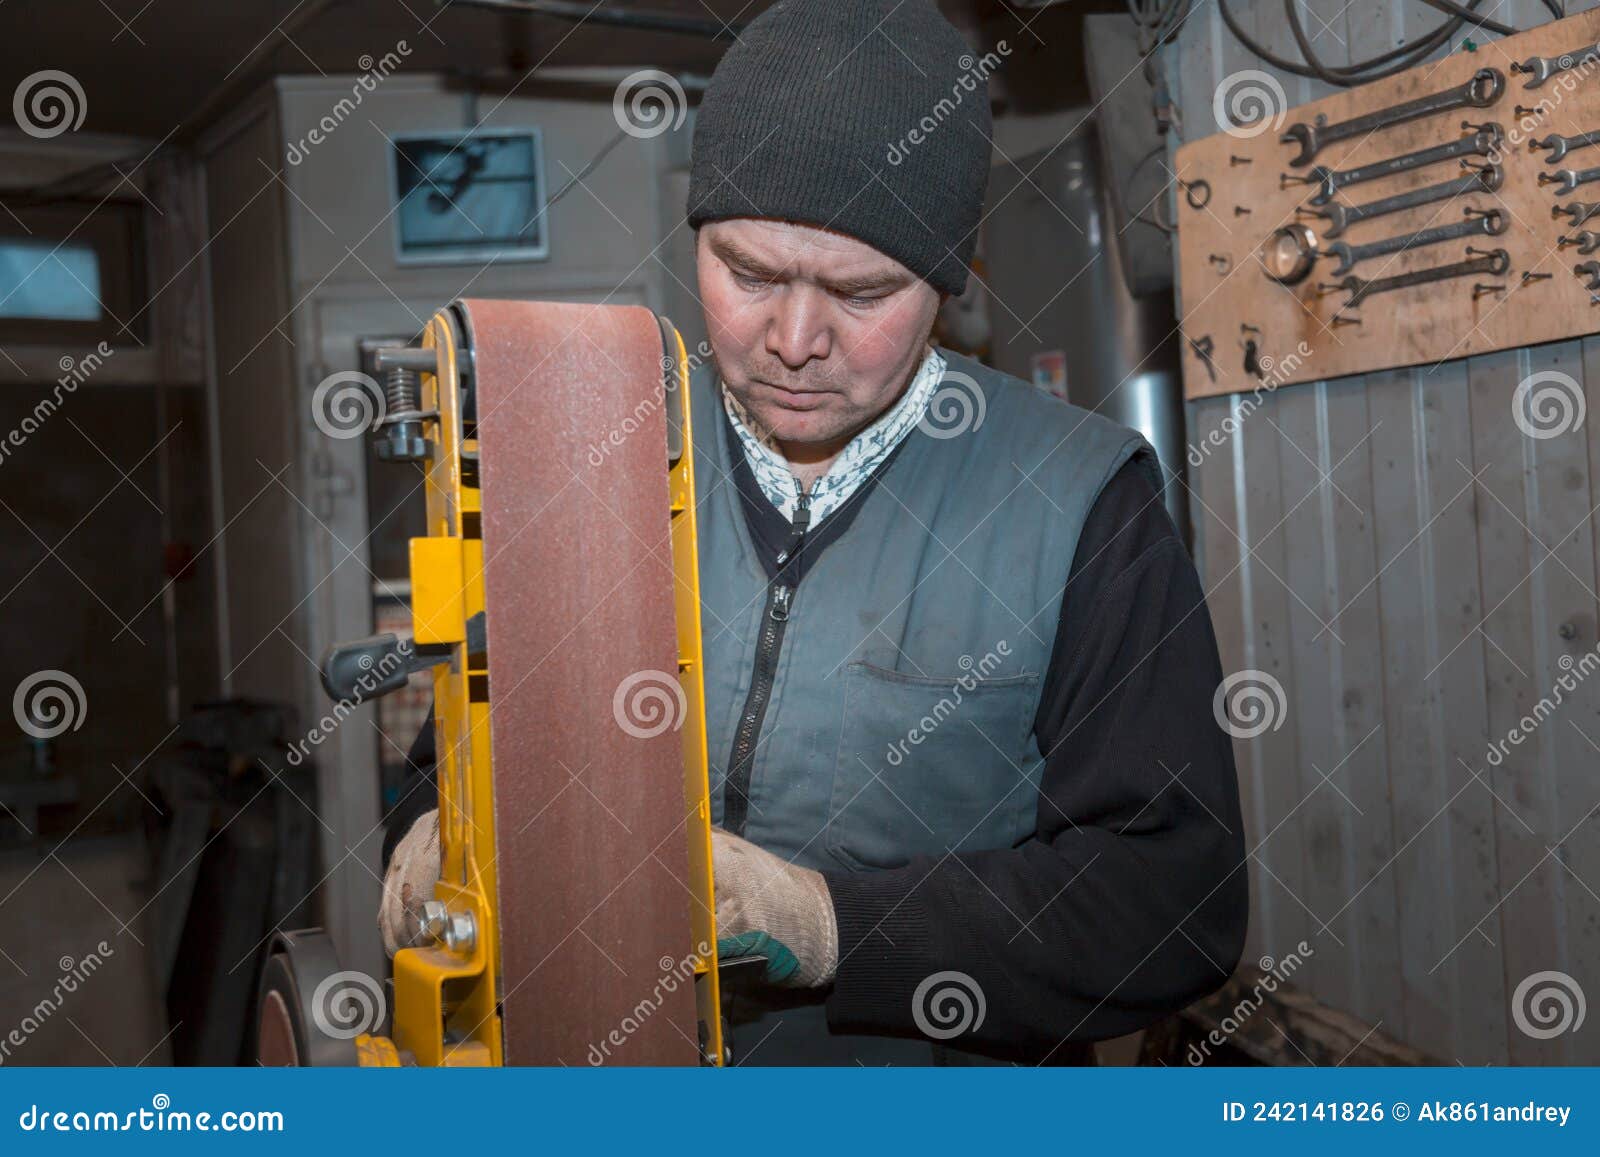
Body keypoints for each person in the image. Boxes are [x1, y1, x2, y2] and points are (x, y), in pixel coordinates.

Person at [380, 0, 1247, 1065]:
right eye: (748, 274)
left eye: (861, 289)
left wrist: (835, 926)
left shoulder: (1077, 501)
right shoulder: (584, 457)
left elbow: (1169, 900)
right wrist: (433, 842)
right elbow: (452, 758)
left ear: (945, 283)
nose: (793, 340)